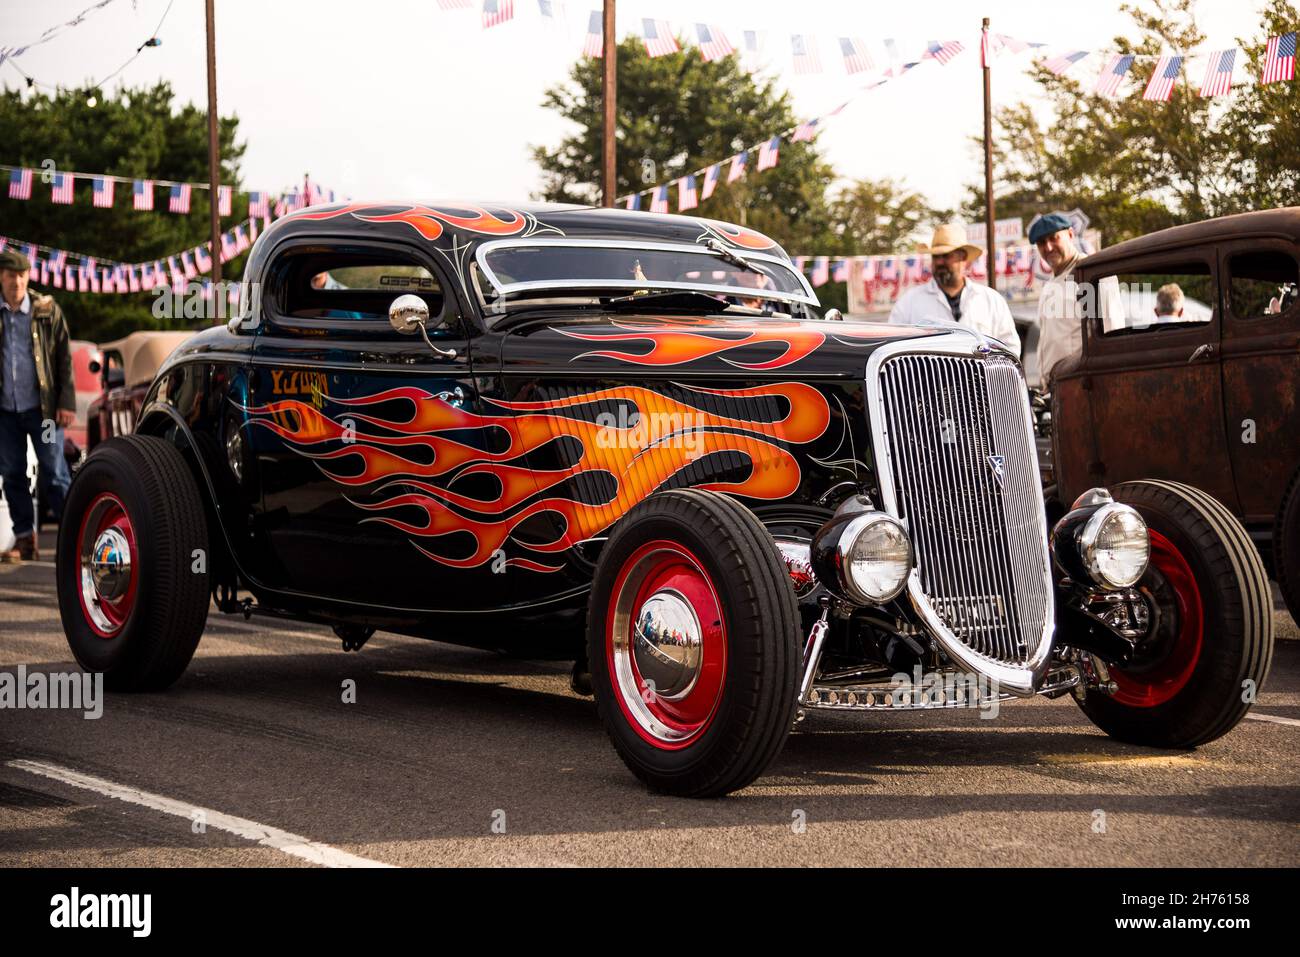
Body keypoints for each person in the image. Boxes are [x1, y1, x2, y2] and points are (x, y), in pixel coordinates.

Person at [0, 250, 74, 562]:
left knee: (54, 472)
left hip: (42, 412)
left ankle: (77, 536)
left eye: (20, 275)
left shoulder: (47, 310)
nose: (15, 281)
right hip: (5, 412)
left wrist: (66, 402)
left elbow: (63, 358)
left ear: (28, 276)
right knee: (13, 473)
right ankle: (24, 539)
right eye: (9, 275)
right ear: (1, 278)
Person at [889, 224, 1020, 355]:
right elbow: (892, 347)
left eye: (946, 256)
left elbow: (1010, 348)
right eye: (936, 257)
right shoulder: (909, 302)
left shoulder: (991, 299)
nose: (940, 262)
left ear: (962, 257)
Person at [1032, 213, 1086, 389]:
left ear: (1070, 234)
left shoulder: (1090, 271)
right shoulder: (1049, 285)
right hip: (1057, 387)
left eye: (1054, 238)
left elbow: (1109, 332)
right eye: (1041, 243)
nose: (1048, 247)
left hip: (1083, 384)